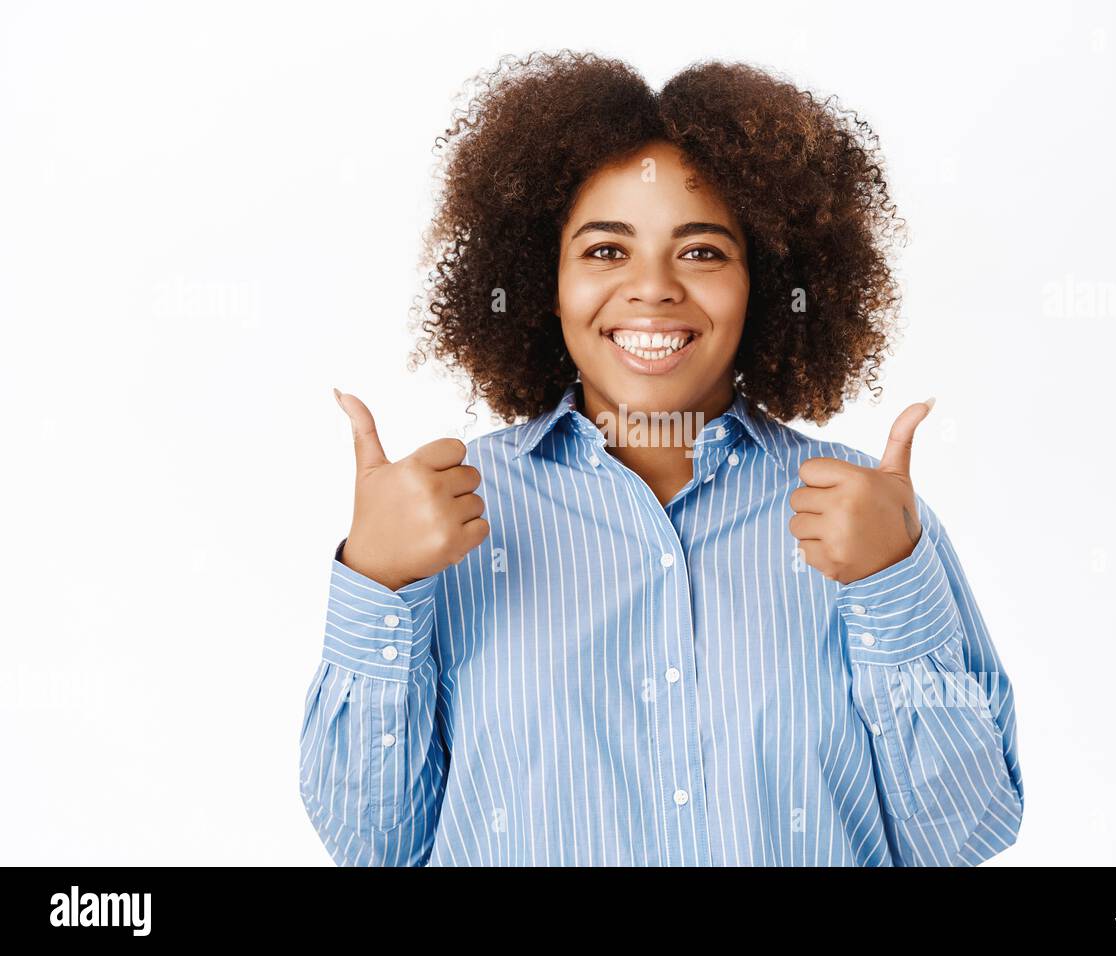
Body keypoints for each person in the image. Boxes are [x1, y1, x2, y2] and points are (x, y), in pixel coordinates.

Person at [299, 52, 1024, 866]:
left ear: (767, 278)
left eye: (703, 252)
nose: (652, 289)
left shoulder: (870, 516)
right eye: (606, 250)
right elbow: (373, 844)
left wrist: (892, 584)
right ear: (546, 278)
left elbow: (963, 836)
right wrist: (376, 584)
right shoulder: (444, 518)